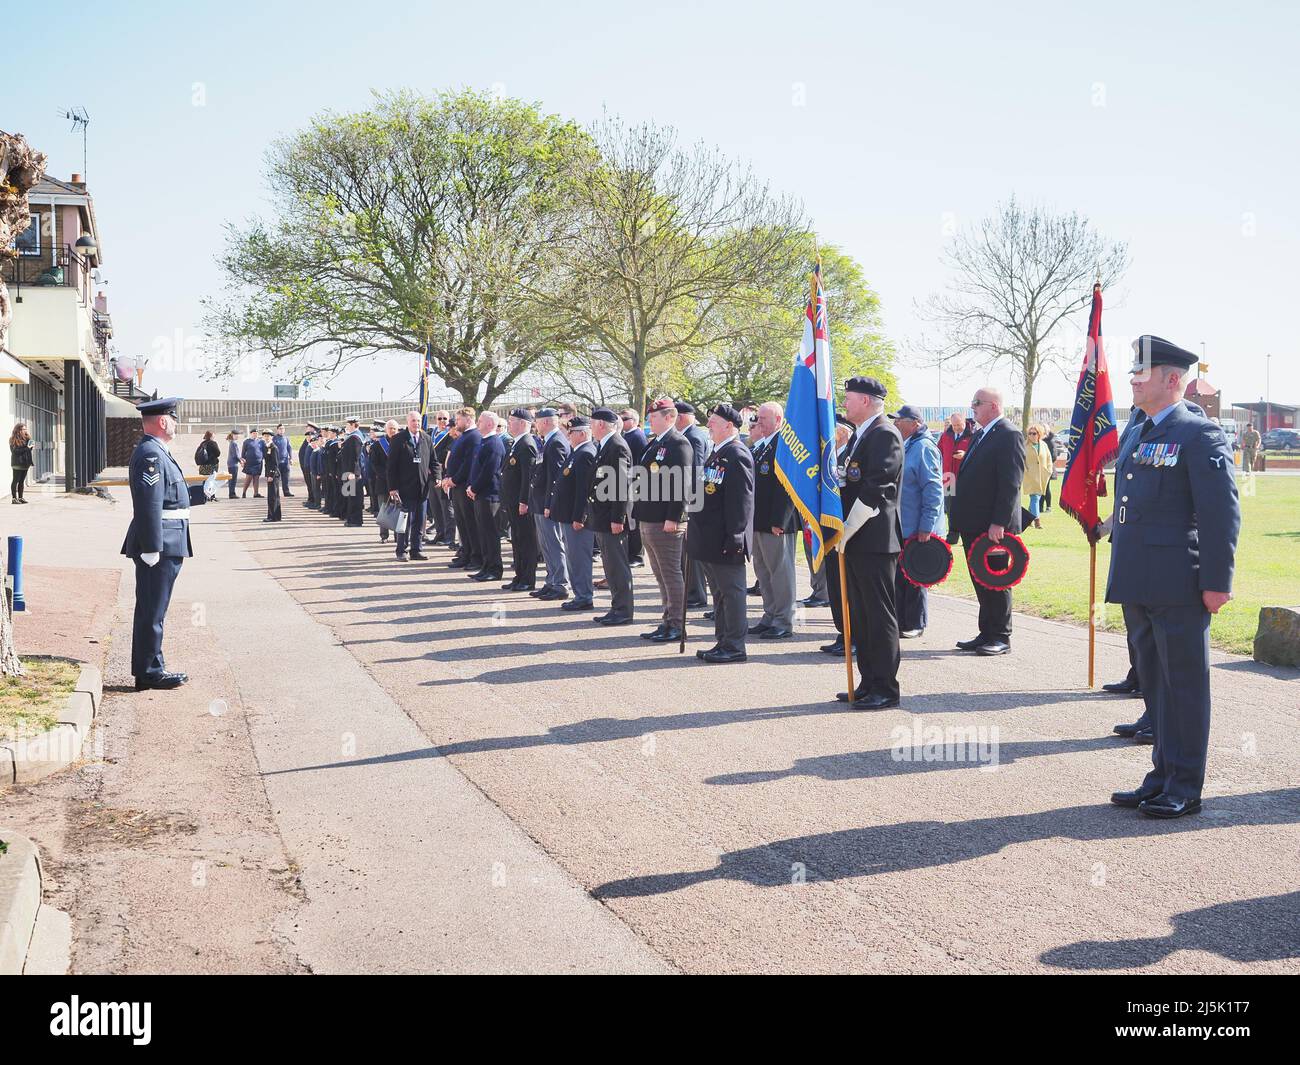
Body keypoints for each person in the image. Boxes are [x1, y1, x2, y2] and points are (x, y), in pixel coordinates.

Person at [1106, 336, 1240, 819]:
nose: (1134, 381)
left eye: (1143, 374)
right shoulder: (1138, 431)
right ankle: (1160, 775)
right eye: (1132, 374)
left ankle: (1185, 785)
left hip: (1179, 579)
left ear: (1172, 380)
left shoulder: (1198, 433)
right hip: (1137, 577)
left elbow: (1220, 513)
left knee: (1183, 684)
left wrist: (1217, 580)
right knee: (1156, 685)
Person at [835, 377, 904, 709]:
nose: (844, 404)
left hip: (873, 539)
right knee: (861, 615)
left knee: (879, 616)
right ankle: (867, 680)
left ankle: (885, 687)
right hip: (855, 539)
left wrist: (847, 529)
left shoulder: (884, 434)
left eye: (848, 398)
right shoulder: (861, 436)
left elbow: (877, 487)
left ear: (865, 400)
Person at [120, 397, 193, 691]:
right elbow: (148, 503)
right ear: (163, 421)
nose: (175, 423)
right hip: (160, 543)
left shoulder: (157, 451)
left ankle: (152, 666)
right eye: (172, 418)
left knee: (155, 608)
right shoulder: (151, 453)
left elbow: (169, 496)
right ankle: (149, 672)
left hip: (169, 538)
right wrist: (152, 546)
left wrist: (203, 491)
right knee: (152, 610)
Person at [949, 387, 1025, 656]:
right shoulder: (982, 433)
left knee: (996, 580)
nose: (973, 407)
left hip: (994, 527)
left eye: (977, 403)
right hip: (975, 523)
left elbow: (1010, 483)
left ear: (993, 405)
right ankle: (986, 632)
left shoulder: (1009, 434)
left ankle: (1001, 635)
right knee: (981, 579)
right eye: (972, 402)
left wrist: (999, 522)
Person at [687, 404, 755, 663]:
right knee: (719, 593)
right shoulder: (717, 452)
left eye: (714, 421)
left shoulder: (737, 454)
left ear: (729, 426)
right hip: (709, 538)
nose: (709, 425)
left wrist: (736, 536)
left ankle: (735, 645)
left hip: (726, 538)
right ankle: (722, 641)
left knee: (733, 593)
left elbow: (742, 501)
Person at [633, 397, 694, 643]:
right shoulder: (655, 443)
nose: (650, 421)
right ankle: (667, 620)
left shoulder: (678, 443)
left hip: (664, 520)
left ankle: (677, 625)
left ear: (670, 417)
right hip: (649, 517)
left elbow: (682, 484)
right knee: (659, 574)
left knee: (670, 573)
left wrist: (674, 517)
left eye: (654, 417)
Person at [889, 404, 944, 638]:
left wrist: (926, 526)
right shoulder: (908, 445)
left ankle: (915, 623)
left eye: (899, 420)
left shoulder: (923, 447)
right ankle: (903, 620)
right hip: (903, 523)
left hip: (917, 526)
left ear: (915, 423)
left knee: (914, 575)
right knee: (901, 576)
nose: (895, 424)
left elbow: (933, 489)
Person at [748, 402, 797, 640]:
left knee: (780, 572)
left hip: (776, 522)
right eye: (758, 418)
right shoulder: (761, 446)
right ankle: (769, 615)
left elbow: (787, 488)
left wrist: (780, 520)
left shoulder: (784, 445)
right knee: (763, 571)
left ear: (778, 420)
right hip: (758, 520)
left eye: (764, 418)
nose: (759, 423)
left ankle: (784, 620)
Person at [586, 408, 635, 625]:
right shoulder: (605, 445)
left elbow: (621, 485)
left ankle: (623, 610)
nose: (590, 427)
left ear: (602, 424)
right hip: (602, 515)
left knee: (617, 566)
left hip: (611, 517)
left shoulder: (616, 446)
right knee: (610, 566)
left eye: (592, 422)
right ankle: (617, 607)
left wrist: (618, 518)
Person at [551, 416, 599, 610]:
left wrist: (580, 517)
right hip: (568, 515)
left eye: (571, 432)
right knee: (574, 557)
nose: (568, 435)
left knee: (579, 558)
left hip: (576, 517)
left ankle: (584, 596)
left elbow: (583, 491)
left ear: (582, 433)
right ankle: (580, 594)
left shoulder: (586, 453)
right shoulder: (577, 452)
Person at [820, 417, 856, 650]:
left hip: (847, 529)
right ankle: (842, 632)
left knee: (848, 585)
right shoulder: (828, 459)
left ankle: (853, 635)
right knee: (833, 582)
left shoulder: (851, 456)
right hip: (829, 528)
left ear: (843, 433)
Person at [531, 408, 571, 602]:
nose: (535, 425)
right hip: (541, 502)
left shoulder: (556, 443)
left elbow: (556, 479)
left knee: (554, 543)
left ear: (545, 422)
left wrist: (549, 504)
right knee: (546, 544)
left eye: (537, 421)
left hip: (548, 504)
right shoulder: (549, 441)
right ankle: (551, 580)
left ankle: (560, 583)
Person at [675, 402, 711, 609]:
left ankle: (696, 594)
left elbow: (695, 471)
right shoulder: (692, 435)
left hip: (692, 500)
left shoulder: (694, 436)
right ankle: (692, 591)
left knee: (690, 550)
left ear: (680, 417)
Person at [500, 408, 540, 592]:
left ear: (523, 423)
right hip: (512, 500)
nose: (509, 423)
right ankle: (519, 576)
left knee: (526, 540)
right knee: (516, 539)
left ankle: (527, 579)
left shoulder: (527, 444)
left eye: (512, 420)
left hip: (520, 503)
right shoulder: (517, 443)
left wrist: (525, 501)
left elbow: (528, 477)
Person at [388, 411, 434, 561]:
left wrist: (438, 477)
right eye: (414, 421)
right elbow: (392, 466)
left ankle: (416, 549)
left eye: (419, 421)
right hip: (404, 488)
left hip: (422, 489)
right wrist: (392, 488)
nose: (417, 424)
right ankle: (401, 549)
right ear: (407, 422)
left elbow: (434, 461)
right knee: (404, 521)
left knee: (420, 521)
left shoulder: (426, 439)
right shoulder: (398, 439)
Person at [466, 411, 506, 582]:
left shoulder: (494, 443)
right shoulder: (484, 442)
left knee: (491, 534)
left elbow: (489, 471)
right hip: (480, 494)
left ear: (490, 424)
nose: (477, 423)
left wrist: (474, 488)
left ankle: (495, 569)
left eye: (480, 421)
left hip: (490, 495)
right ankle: (486, 566)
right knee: (483, 533)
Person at [444, 408, 483, 571]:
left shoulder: (474, 436)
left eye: (459, 420)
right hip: (456, 487)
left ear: (468, 420)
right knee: (462, 523)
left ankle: (475, 556)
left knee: (470, 524)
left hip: (463, 485)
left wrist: (454, 479)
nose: (456, 423)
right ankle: (466, 553)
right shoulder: (464, 436)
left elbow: (468, 464)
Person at [620, 408, 649, 567]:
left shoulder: (637, 436)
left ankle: (637, 555)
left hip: (635, 482)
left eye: (625, 418)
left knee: (633, 521)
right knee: (630, 520)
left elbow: (639, 462)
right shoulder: (628, 435)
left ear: (634, 420)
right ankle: (632, 553)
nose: (622, 421)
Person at [938, 411, 974, 520]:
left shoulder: (973, 436)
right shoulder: (945, 436)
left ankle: (966, 533)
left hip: (965, 478)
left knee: (965, 508)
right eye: (954, 425)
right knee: (949, 509)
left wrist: (965, 455)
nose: (956, 428)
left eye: (959, 425)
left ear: (964, 422)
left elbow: (979, 455)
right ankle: (952, 535)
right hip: (948, 477)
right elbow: (938, 453)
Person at [428, 411, 455, 547]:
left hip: (444, 475)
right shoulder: (431, 433)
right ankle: (440, 533)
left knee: (446, 507)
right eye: (440, 418)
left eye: (445, 418)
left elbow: (446, 454)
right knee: (435, 507)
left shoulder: (451, 435)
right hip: (431, 475)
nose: (442, 421)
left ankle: (449, 537)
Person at [1022, 424, 1054, 529]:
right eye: (1029, 433)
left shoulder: (1043, 445)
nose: (1031, 435)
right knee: (1035, 497)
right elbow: (1021, 459)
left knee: (1036, 497)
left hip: (1042, 476)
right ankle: (1037, 521)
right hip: (1030, 476)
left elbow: (1049, 458)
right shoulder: (1024, 445)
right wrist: (1026, 471)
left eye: (1034, 433)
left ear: (1039, 434)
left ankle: (1027, 518)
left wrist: (1049, 470)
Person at [340, 416, 366, 527]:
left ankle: (355, 520)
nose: (346, 426)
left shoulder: (355, 438)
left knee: (355, 497)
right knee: (351, 496)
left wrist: (353, 472)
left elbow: (355, 456)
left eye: (347, 424)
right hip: (349, 471)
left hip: (352, 472)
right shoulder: (352, 437)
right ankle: (351, 519)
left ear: (352, 425)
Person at [261, 429, 283, 522]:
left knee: (273, 496)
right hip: (270, 474)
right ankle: (275, 516)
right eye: (265, 436)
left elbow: (275, 463)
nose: (266, 437)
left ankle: (273, 517)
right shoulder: (267, 447)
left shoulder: (273, 447)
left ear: (272, 437)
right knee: (273, 495)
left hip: (273, 475)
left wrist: (271, 474)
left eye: (268, 436)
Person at [10, 422, 34, 503]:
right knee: (15, 480)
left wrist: (31, 444)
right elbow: (15, 451)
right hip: (17, 463)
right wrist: (27, 448)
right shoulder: (13, 439)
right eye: (24, 429)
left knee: (21, 481)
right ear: (19, 430)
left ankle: (20, 497)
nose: (25, 430)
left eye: (26, 429)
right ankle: (14, 498)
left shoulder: (27, 438)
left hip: (25, 463)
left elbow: (29, 449)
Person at [240, 427, 265, 497]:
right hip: (249, 462)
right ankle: (244, 492)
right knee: (249, 477)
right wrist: (242, 461)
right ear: (251, 434)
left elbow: (264, 451)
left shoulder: (261, 442)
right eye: (254, 433)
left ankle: (256, 493)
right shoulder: (247, 442)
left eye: (256, 433)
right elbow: (243, 452)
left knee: (256, 478)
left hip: (258, 463)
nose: (255, 435)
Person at [272, 423, 293, 497]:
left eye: (283, 429)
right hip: (277, 461)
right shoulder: (274, 438)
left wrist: (291, 458)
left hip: (285, 461)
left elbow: (289, 448)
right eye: (280, 429)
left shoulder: (286, 438)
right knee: (276, 478)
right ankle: (276, 492)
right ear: (277, 430)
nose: (281, 430)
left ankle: (286, 492)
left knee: (286, 477)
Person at [225, 429, 241, 499]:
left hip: (231, 463)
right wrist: (241, 461)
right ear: (232, 435)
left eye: (237, 435)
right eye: (236, 435)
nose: (237, 436)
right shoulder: (234, 443)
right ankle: (232, 493)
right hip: (233, 463)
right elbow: (235, 455)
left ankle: (232, 493)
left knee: (232, 479)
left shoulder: (232, 442)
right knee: (233, 479)